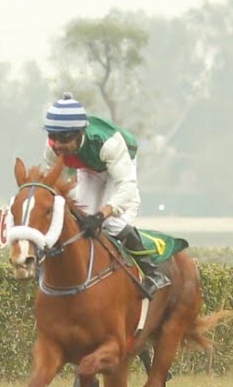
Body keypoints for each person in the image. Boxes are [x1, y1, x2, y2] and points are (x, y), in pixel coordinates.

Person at [43, 92, 169, 296]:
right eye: (52, 136)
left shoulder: (109, 143)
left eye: (64, 138)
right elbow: (52, 185)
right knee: (78, 219)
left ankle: (153, 273)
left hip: (119, 166)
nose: (57, 145)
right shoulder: (53, 150)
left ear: (79, 133)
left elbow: (126, 188)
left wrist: (101, 215)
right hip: (89, 170)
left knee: (111, 223)